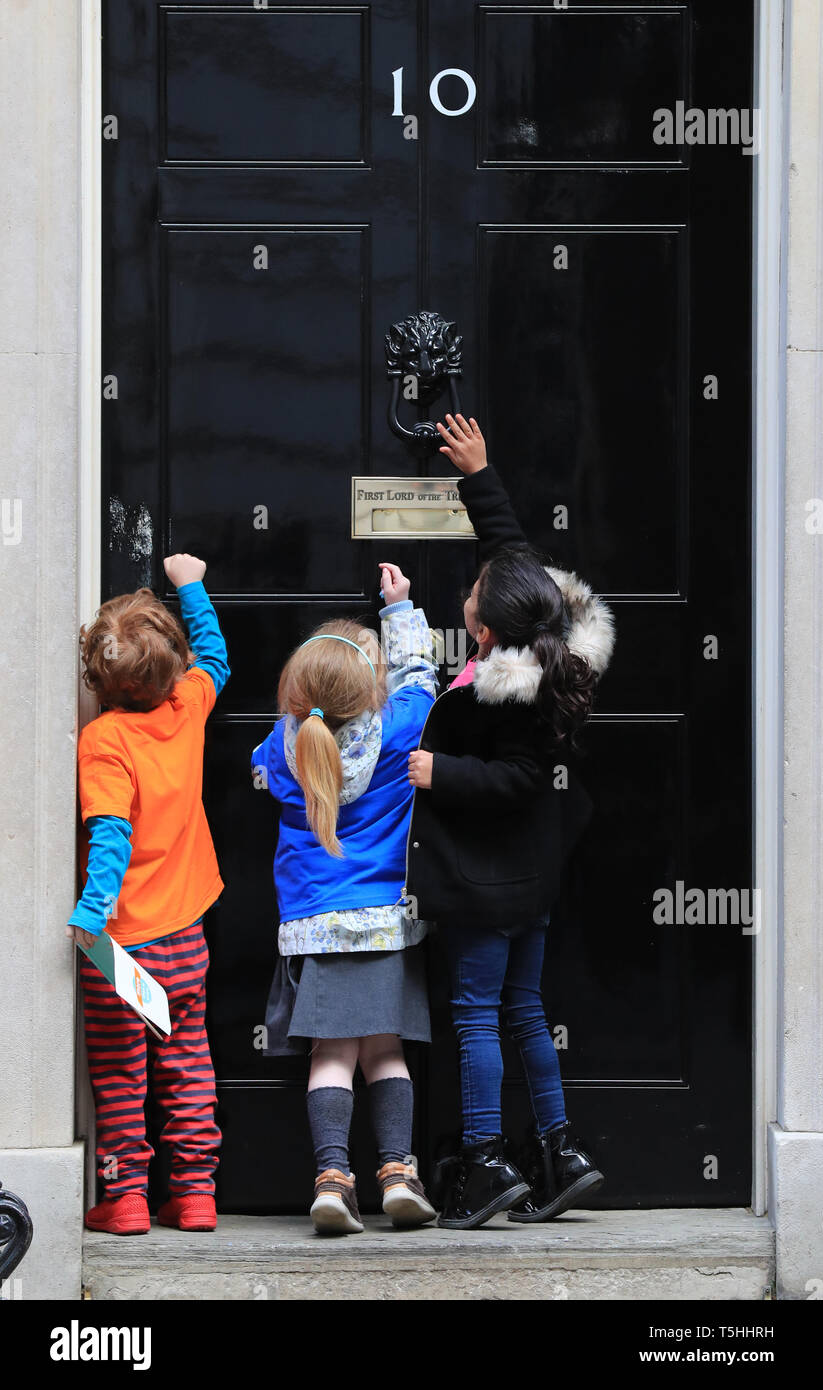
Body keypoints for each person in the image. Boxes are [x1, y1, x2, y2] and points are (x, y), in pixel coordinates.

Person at [405, 414, 616, 1230]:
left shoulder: (504, 689)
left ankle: (488, 1160)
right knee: (524, 1010)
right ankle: (560, 1150)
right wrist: (479, 474)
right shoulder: (549, 639)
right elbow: (518, 559)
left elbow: (521, 778)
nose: (476, 582)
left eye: (477, 593)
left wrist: (438, 770)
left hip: (488, 881)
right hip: (532, 877)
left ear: (485, 628)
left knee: (474, 1013)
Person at [252, 563, 439, 1234]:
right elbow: (421, 680)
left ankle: (332, 1179)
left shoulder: (284, 747)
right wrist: (401, 607)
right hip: (385, 923)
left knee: (330, 1058)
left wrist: (301, 709)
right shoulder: (399, 732)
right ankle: (397, 1172)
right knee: (386, 1052)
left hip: (315, 927)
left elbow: (267, 756)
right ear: (373, 685)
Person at [67, 554, 230, 1235]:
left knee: (121, 1075)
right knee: (187, 1061)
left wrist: (92, 911)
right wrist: (192, 583)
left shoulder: (103, 740)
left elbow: (110, 835)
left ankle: (127, 1197)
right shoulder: (187, 706)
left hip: (121, 945)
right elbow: (215, 659)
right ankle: (195, 1194)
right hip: (185, 933)